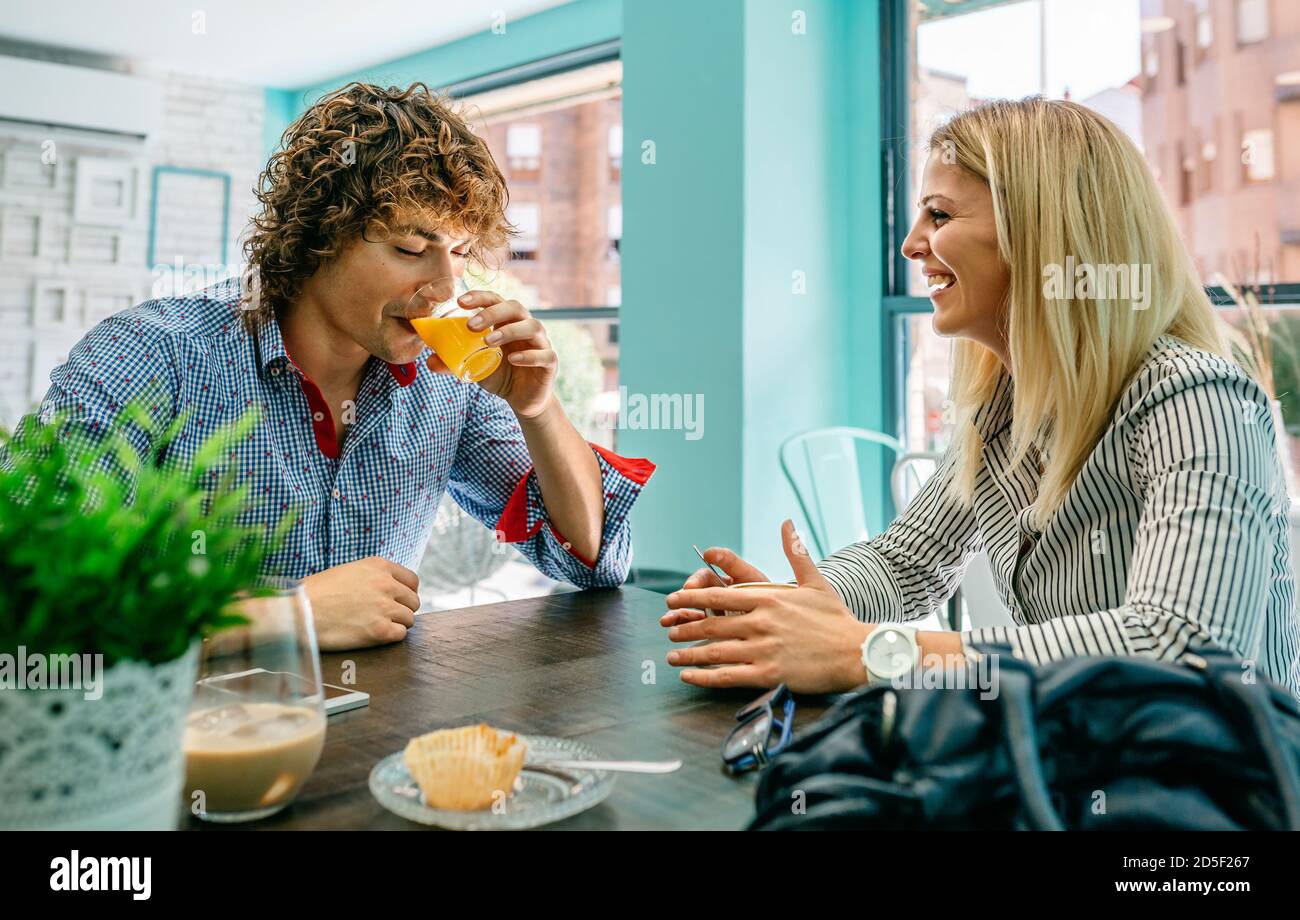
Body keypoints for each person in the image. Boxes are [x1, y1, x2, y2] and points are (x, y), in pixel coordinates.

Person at [661, 97, 1299, 699]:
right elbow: (905, 562)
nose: (912, 244)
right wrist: (783, 607)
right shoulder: (1001, 408)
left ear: (1043, 233)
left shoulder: (1197, 399)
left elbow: (1183, 647)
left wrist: (873, 653)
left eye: (939, 215)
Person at [32, 82, 655, 650]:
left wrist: (537, 409)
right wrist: (286, 615)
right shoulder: (149, 355)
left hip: (378, 747)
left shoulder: (449, 386)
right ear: (316, 238)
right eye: (411, 247)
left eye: (460, 252)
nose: (445, 286)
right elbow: (32, 597)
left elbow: (588, 560)